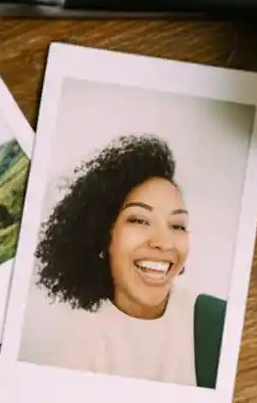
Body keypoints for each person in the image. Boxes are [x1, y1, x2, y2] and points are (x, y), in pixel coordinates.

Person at [34, 134, 226, 388]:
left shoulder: (216, 324)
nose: (163, 242)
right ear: (103, 236)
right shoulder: (70, 348)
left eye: (177, 225)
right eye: (139, 220)